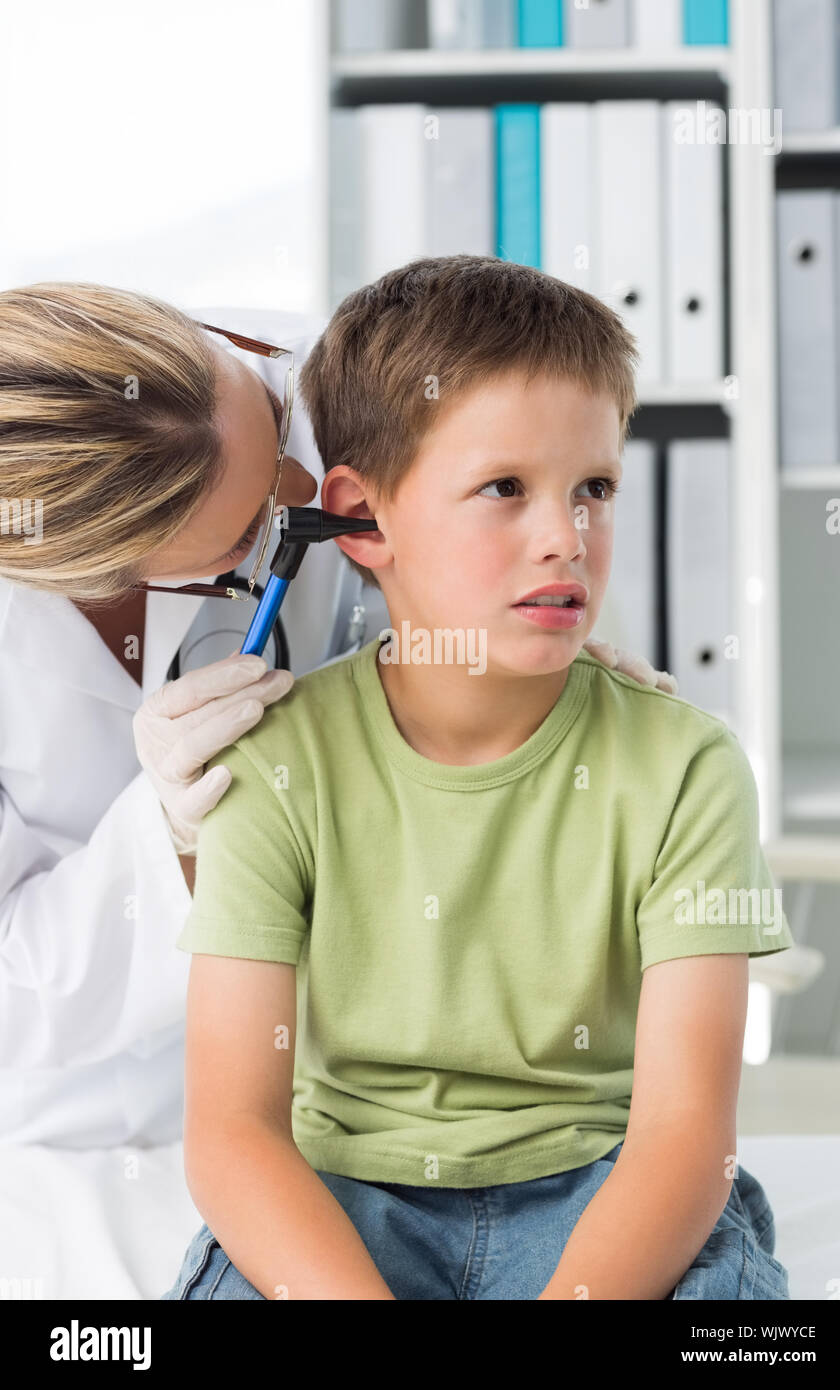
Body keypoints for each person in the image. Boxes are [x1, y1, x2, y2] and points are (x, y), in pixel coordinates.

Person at [162, 255, 795, 1302]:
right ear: (361, 520)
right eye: (503, 488)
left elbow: (684, 1138)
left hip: (608, 1194)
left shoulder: (686, 766)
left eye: (592, 488)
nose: (566, 538)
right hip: (338, 1201)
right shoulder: (274, 765)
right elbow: (232, 1130)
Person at [0, 279, 669, 1149]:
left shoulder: (324, 388)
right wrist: (168, 835)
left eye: (273, 426)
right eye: (256, 536)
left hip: (362, 1090)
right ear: (110, 573)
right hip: (80, 1124)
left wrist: (533, 672)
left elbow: (483, 552)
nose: (309, 486)